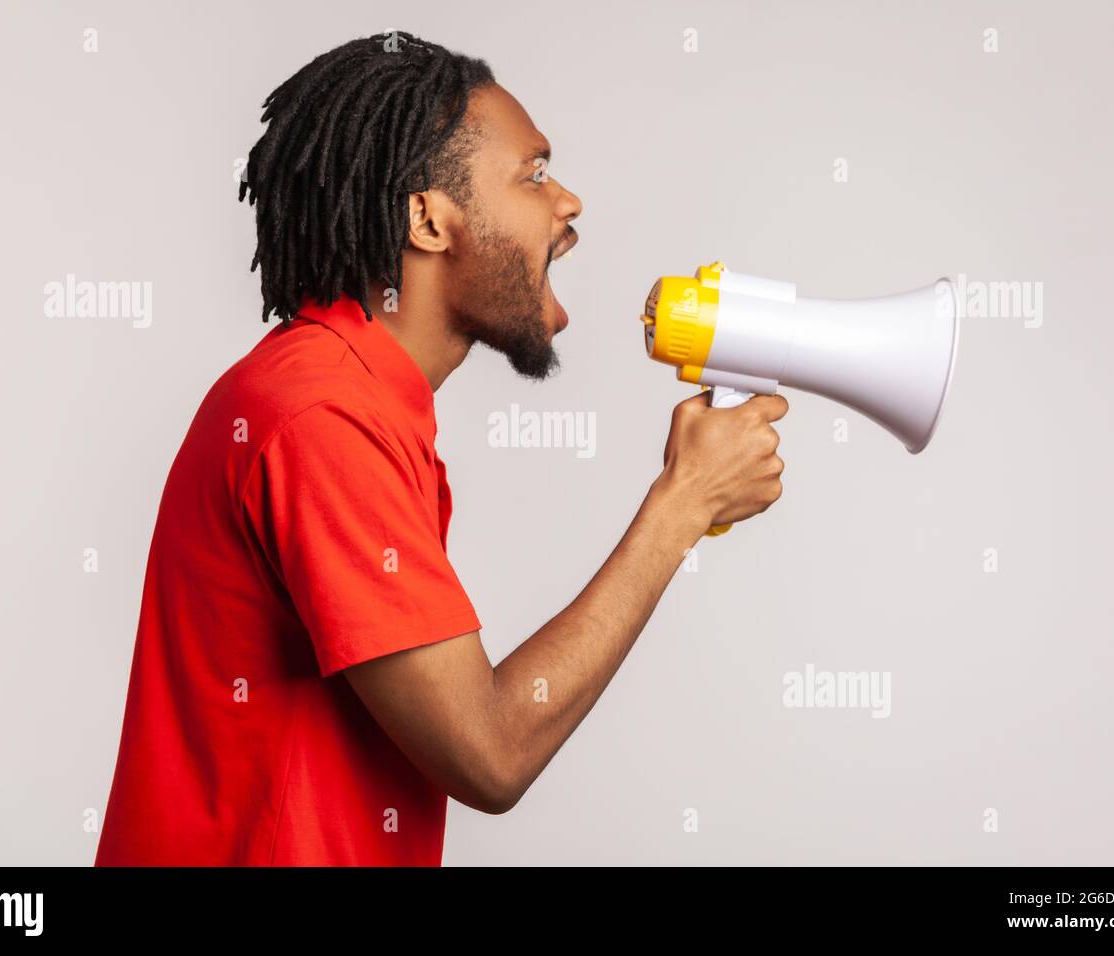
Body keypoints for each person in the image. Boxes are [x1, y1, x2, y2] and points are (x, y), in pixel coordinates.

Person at [95, 30, 786, 866]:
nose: (566, 203)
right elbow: (490, 752)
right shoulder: (321, 418)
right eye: (532, 174)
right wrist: (684, 504)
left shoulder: (349, 399)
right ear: (428, 218)